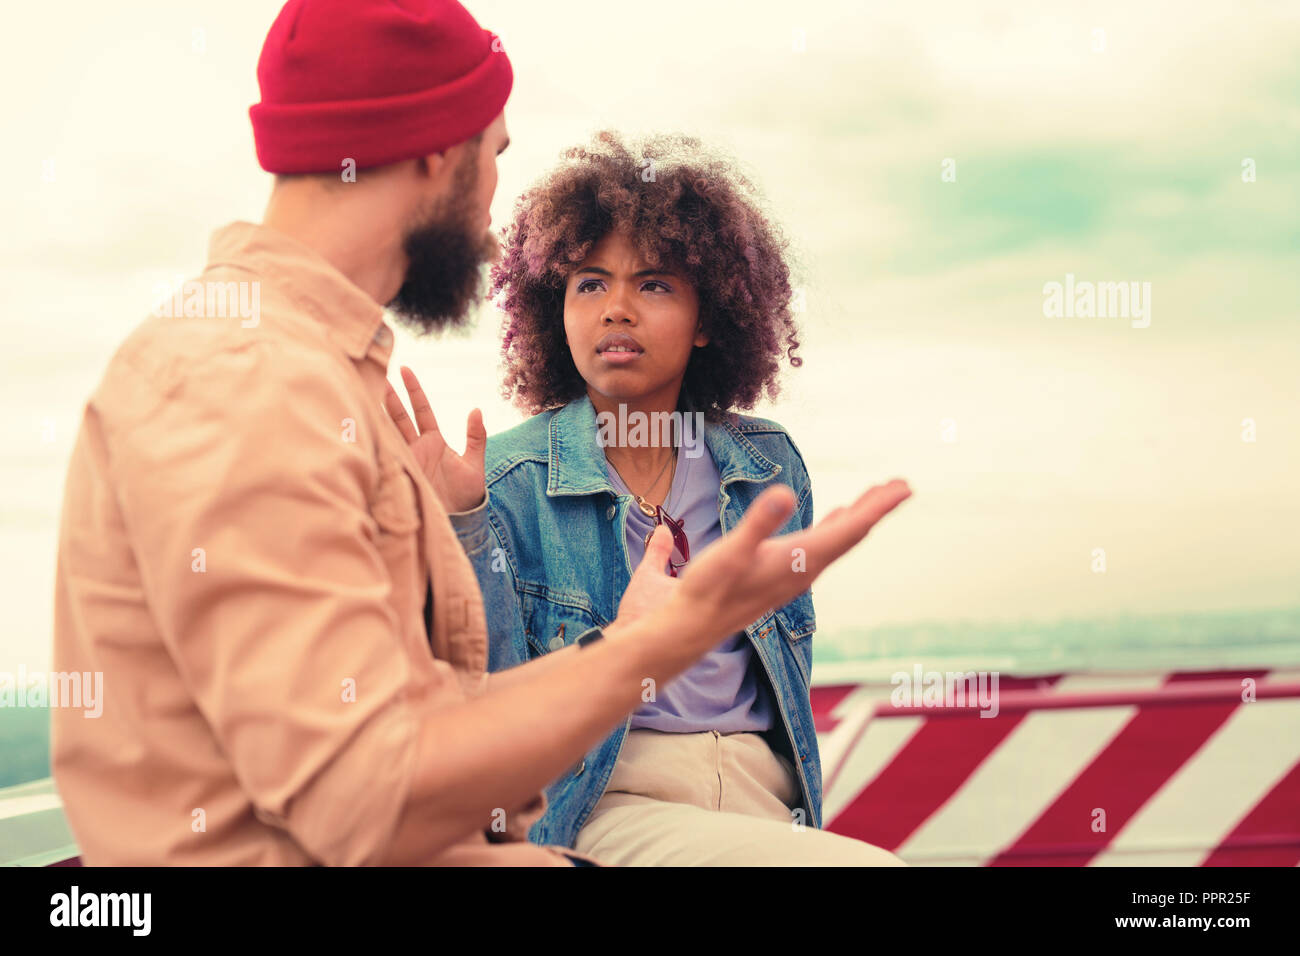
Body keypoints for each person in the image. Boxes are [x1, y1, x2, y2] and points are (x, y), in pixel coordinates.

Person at [50, 0, 911, 866]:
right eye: (495, 153)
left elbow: (410, 756)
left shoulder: (307, 373)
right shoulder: (243, 382)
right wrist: (652, 643)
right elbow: (362, 800)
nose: (497, 212)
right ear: (438, 147)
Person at [388, 132, 906, 864]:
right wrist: (462, 524)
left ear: (708, 321)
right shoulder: (504, 483)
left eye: (654, 284)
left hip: (769, 802)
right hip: (608, 802)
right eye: (590, 284)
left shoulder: (767, 466)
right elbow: (493, 709)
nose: (617, 309)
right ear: (553, 311)